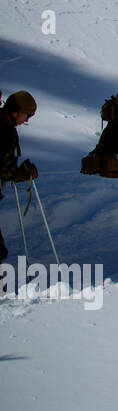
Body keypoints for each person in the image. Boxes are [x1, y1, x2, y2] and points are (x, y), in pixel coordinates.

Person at [1, 91, 39, 275]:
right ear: (18, 111)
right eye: (27, 116)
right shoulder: (5, 130)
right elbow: (5, 170)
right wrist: (24, 173)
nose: (25, 120)